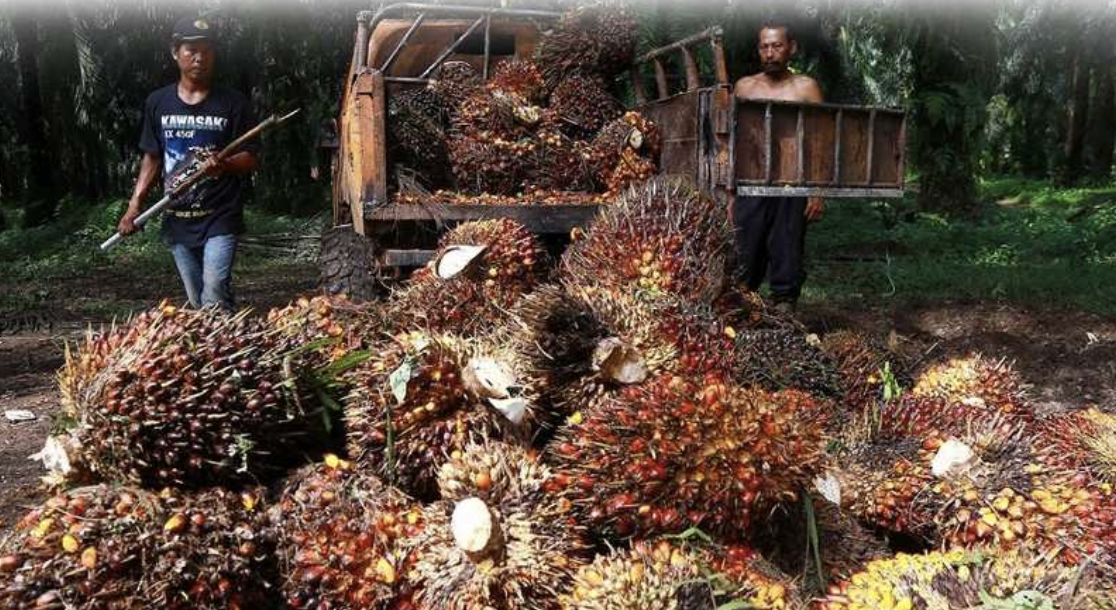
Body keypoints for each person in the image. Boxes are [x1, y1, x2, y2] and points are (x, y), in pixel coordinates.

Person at [118, 15, 258, 310]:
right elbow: (152, 157)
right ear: (175, 52)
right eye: (191, 49)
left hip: (220, 214)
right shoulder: (158, 102)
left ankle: (225, 346)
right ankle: (226, 342)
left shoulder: (233, 103)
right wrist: (134, 207)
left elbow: (250, 157)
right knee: (197, 300)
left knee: (215, 291)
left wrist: (224, 165)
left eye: (206, 50)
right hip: (177, 219)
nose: (199, 57)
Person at [732, 23, 824, 314]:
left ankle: (784, 306)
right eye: (764, 46)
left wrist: (818, 190)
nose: (770, 53)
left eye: (777, 46)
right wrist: (729, 194)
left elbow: (820, 140)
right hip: (751, 180)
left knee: (787, 246)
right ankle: (741, 305)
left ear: (791, 47)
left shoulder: (805, 88)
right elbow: (733, 141)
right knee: (745, 248)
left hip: (792, 181)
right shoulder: (745, 87)